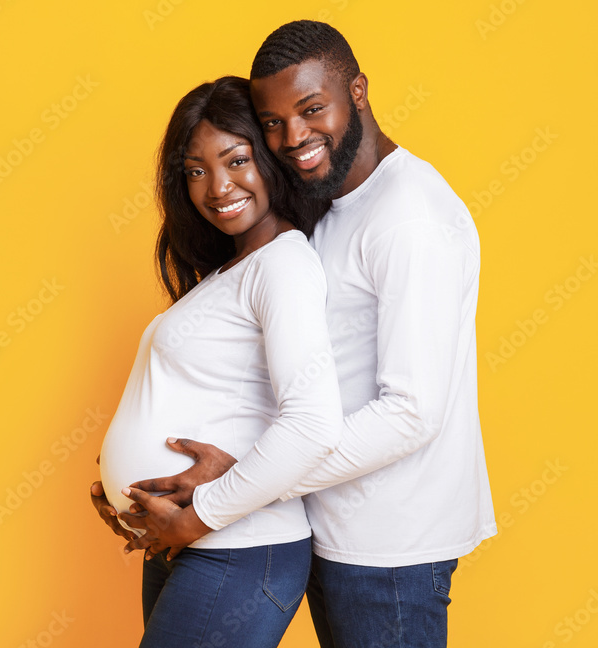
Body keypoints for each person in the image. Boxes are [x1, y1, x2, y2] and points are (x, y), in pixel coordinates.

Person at [99, 20, 497, 648]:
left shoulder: (410, 216)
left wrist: (234, 488)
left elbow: (412, 411)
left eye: (312, 110)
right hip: (327, 525)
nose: (293, 138)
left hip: (391, 544)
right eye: (273, 123)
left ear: (358, 92)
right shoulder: (326, 205)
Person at [94, 75, 343, 647]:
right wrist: (122, 484)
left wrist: (197, 515)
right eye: (196, 171)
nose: (218, 186)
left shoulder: (281, 265)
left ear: (271, 159)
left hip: (238, 550)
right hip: (188, 543)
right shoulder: (229, 272)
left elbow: (313, 423)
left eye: (236, 160)